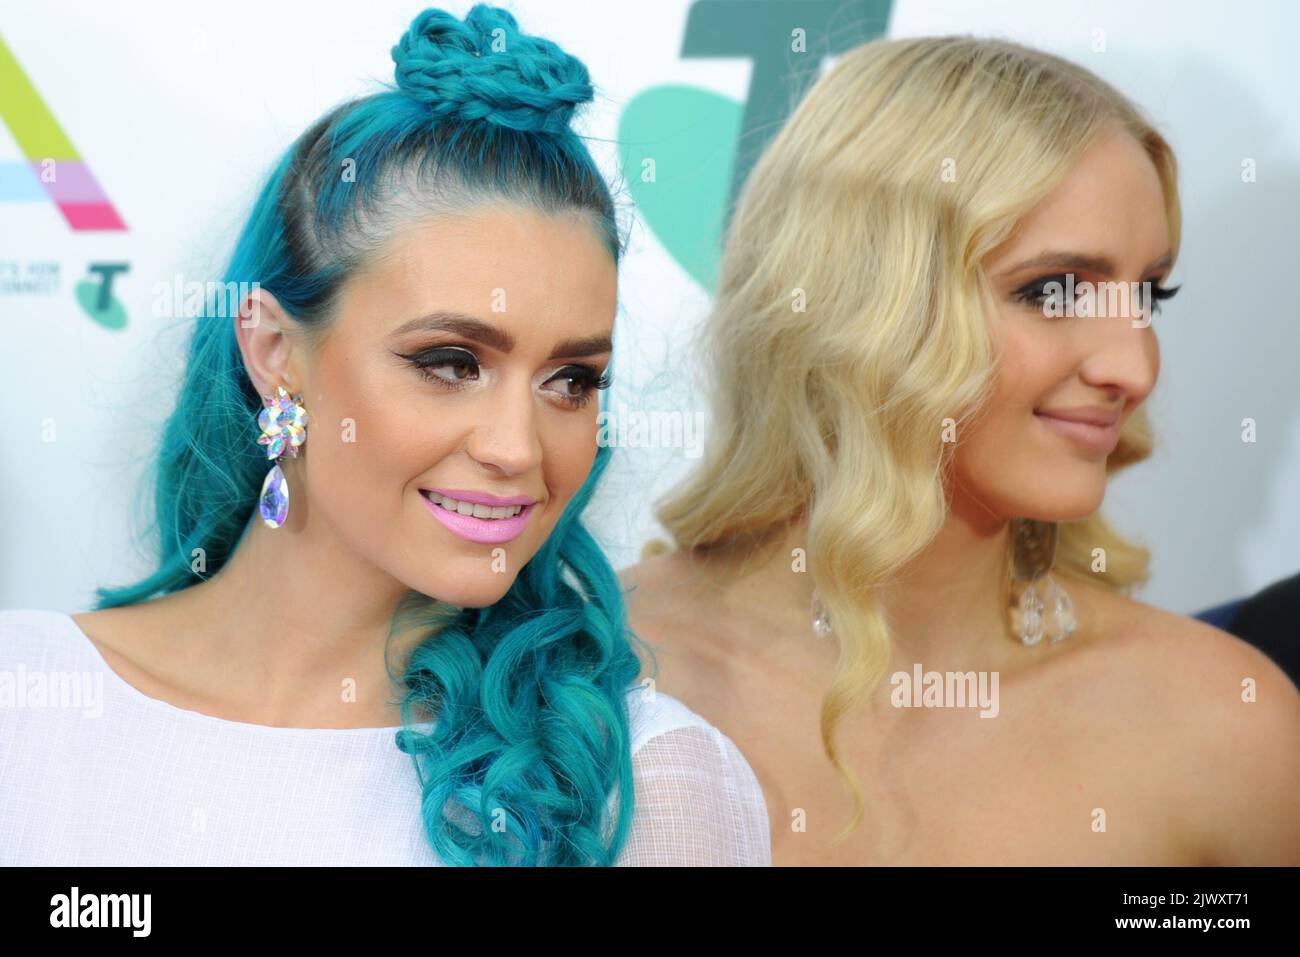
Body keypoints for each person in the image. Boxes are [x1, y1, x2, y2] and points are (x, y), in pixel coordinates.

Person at [0, 5, 769, 867]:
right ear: (274, 354)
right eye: (450, 362)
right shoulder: (23, 705)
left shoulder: (650, 792)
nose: (518, 448)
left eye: (571, 380)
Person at [620, 35, 1300, 866]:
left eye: (1149, 293)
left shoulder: (1222, 723)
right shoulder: (579, 674)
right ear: (864, 298)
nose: (1134, 365)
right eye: (1052, 291)